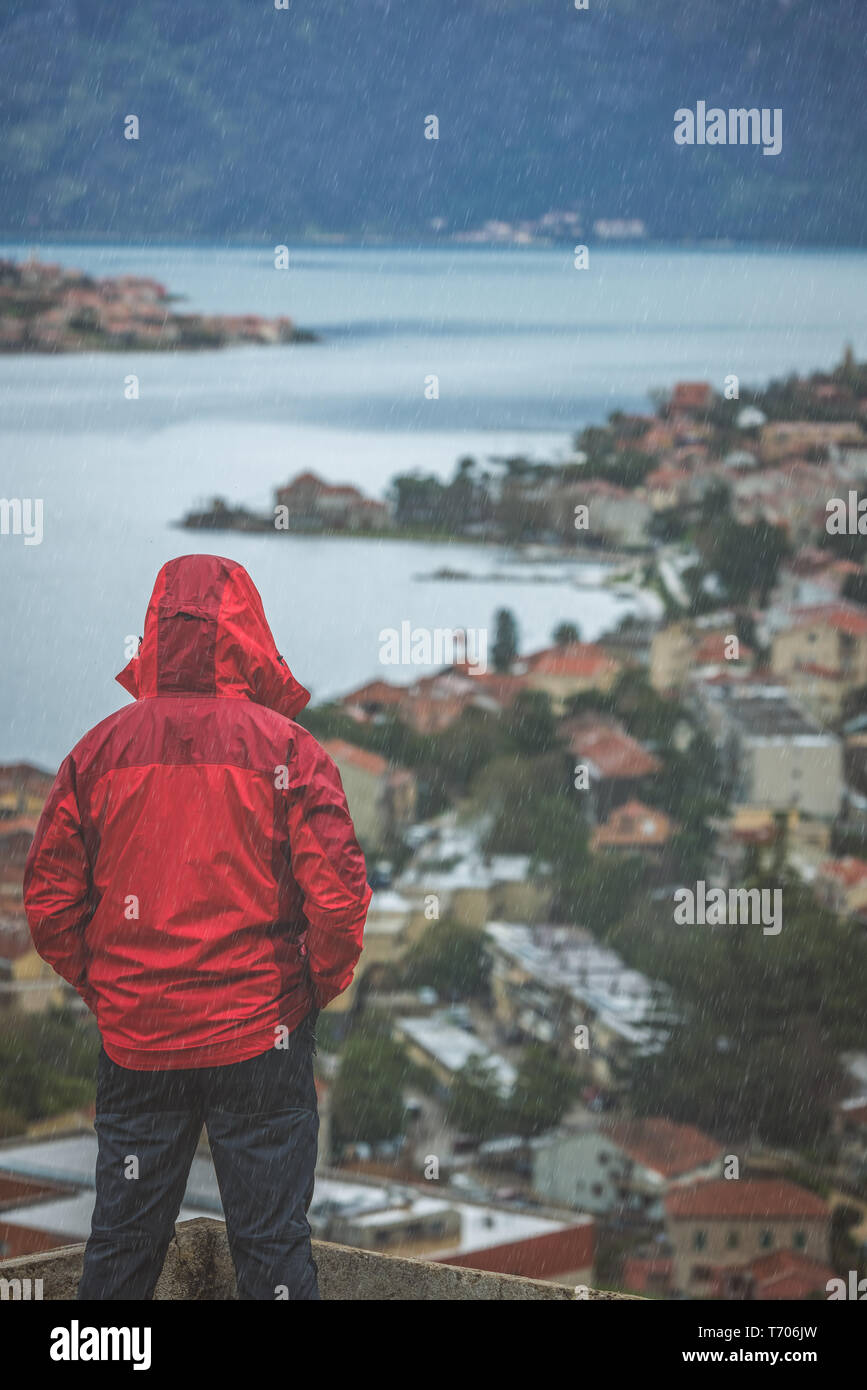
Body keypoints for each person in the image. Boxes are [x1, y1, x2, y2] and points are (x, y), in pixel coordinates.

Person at [24, 554, 371, 1300]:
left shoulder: (96, 754)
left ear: (153, 633)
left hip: (140, 1040)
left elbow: (49, 906)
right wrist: (308, 990)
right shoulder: (289, 751)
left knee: (120, 1243)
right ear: (248, 633)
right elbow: (338, 902)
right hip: (261, 1038)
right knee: (273, 1246)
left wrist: (111, 987)